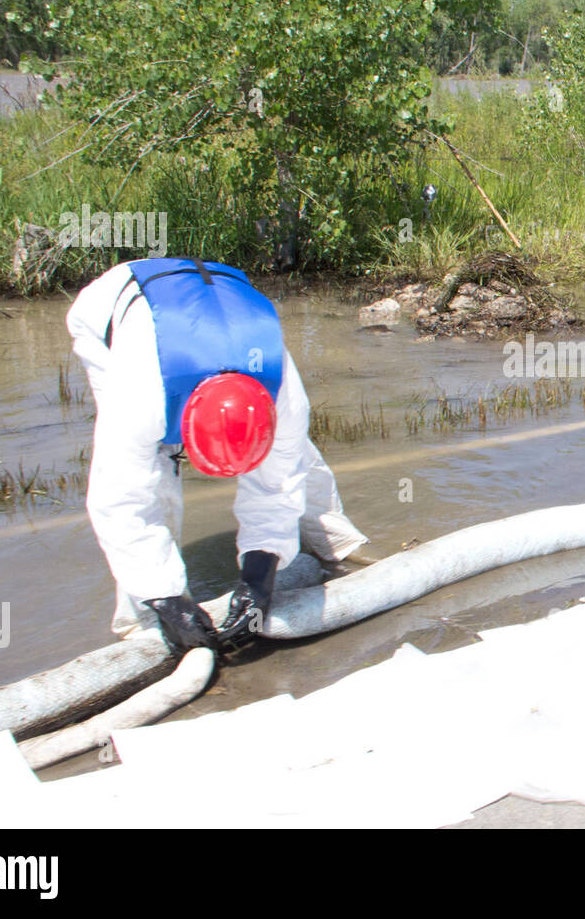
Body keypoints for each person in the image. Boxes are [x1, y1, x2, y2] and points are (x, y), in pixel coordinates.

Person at [66, 257, 367, 652]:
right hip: (115, 307)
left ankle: (336, 542)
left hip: (217, 301)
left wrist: (258, 580)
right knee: (155, 467)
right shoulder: (141, 399)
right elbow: (119, 501)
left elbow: (279, 484)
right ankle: (145, 619)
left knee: (291, 454)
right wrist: (167, 599)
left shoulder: (284, 399)